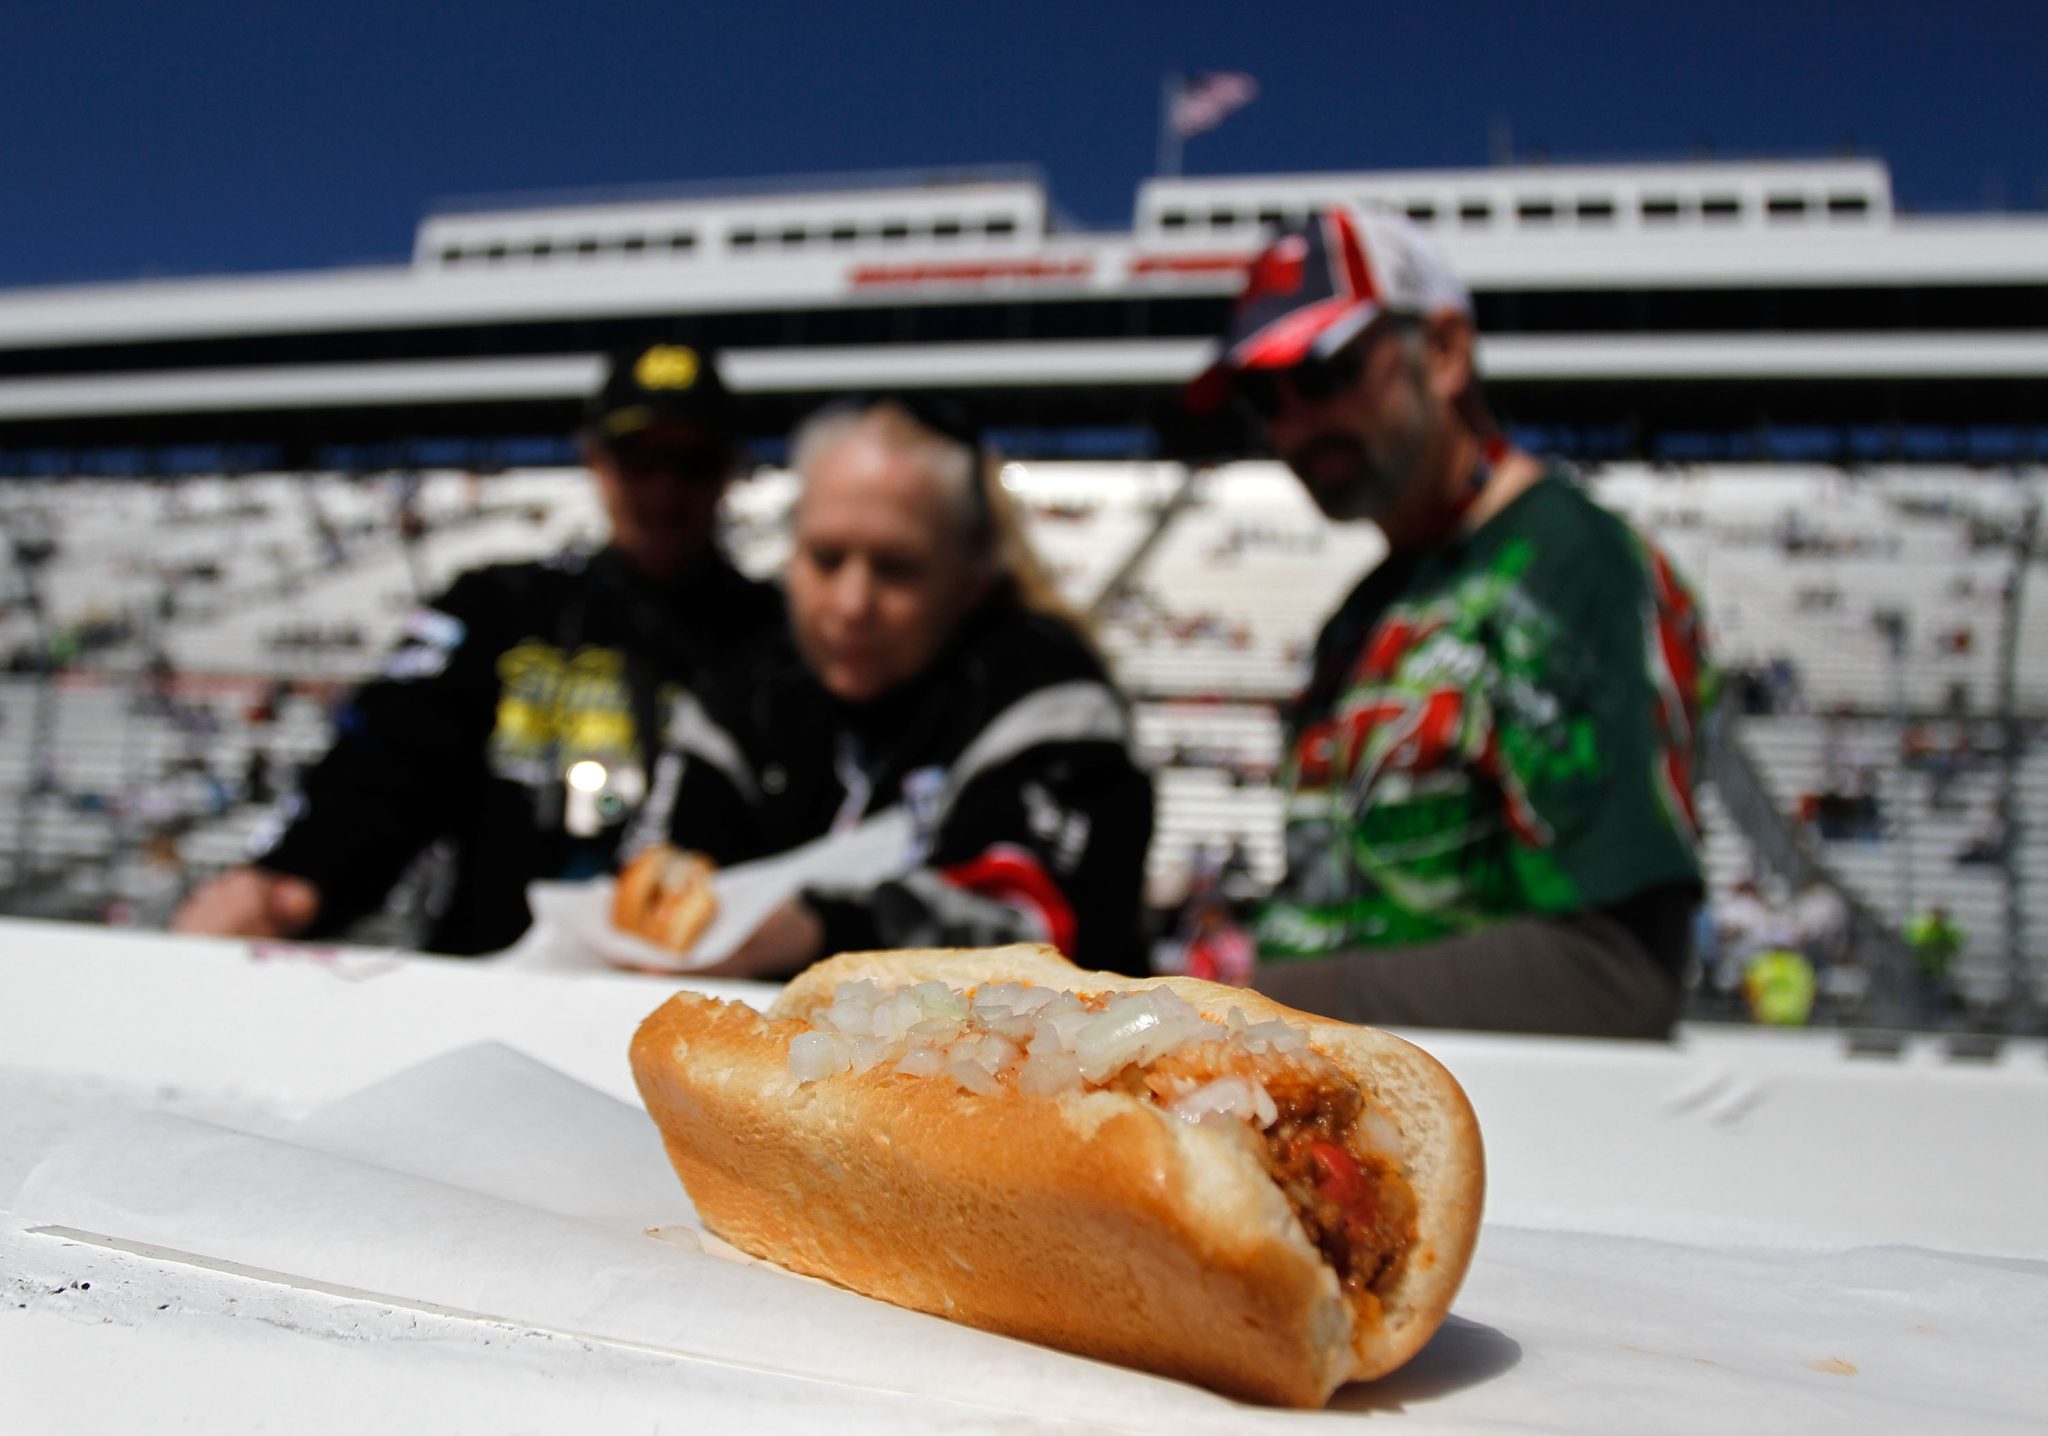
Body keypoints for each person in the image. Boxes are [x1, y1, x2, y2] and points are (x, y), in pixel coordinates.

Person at [1188, 207, 1710, 1038]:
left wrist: (1256, 1006)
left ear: (1443, 352)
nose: (1293, 423)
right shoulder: (1361, 610)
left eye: (1325, 371)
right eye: (1262, 395)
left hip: (1489, 1128)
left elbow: (1617, 976)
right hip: (1331, 1104)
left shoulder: (1566, 563)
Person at [173, 344, 782, 954]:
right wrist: (298, 873)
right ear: (594, 459)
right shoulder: (496, 605)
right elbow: (385, 756)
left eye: (691, 462)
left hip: (696, 991)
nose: (664, 487)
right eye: (637, 458)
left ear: (731, 467)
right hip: (487, 979)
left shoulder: (781, 637)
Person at [634, 397, 1154, 978]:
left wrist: (815, 932)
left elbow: (1045, 928)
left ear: (973, 574)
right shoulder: (744, 686)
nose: (852, 604)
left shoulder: (1048, 691)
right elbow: (654, 872)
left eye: (897, 567)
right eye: (826, 559)